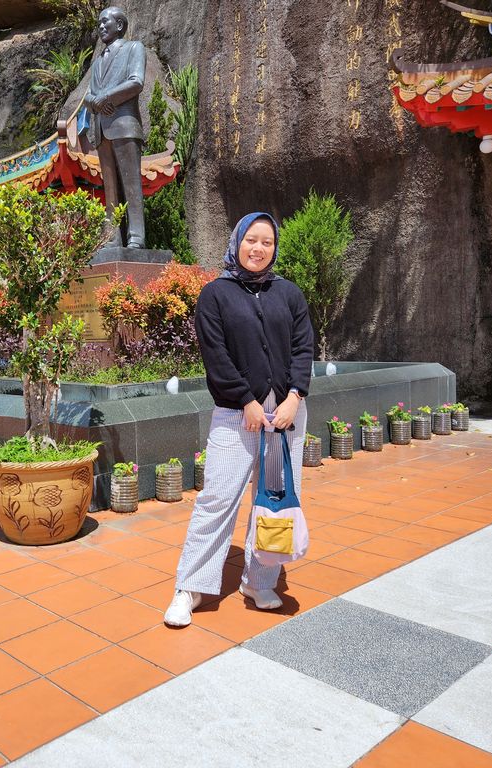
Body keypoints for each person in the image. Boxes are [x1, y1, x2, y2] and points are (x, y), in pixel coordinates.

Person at [164, 212, 314, 628]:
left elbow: (304, 347)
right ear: (237, 242)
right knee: (217, 499)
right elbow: (215, 353)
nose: (258, 248)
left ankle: (259, 580)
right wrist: (246, 400)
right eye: (251, 239)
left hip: (287, 415)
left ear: (274, 248)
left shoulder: (289, 293)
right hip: (236, 415)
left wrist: (295, 397)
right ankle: (190, 587)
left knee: (275, 499)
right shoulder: (216, 294)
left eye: (267, 241)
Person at [83, 6, 147, 248]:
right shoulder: (97, 61)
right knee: (109, 188)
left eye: (105, 22)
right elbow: (88, 96)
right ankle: (113, 237)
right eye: (99, 23)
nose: (101, 27)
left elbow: (136, 82)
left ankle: (136, 237)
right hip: (101, 128)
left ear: (119, 25)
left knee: (132, 185)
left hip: (124, 125)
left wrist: (106, 98)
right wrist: (96, 102)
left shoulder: (134, 48)